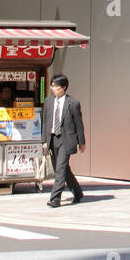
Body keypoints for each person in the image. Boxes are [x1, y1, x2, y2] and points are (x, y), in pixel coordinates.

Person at [45, 74, 86, 208]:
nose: (53, 89)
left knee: (60, 169)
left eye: (56, 87)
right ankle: (78, 193)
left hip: (66, 139)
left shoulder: (73, 103)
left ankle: (55, 198)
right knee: (63, 169)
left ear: (64, 87)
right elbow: (46, 122)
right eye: (52, 87)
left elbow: (78, 123)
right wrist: (44, 140)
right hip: (52, 138)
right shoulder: (49, 102)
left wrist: (81, 142)